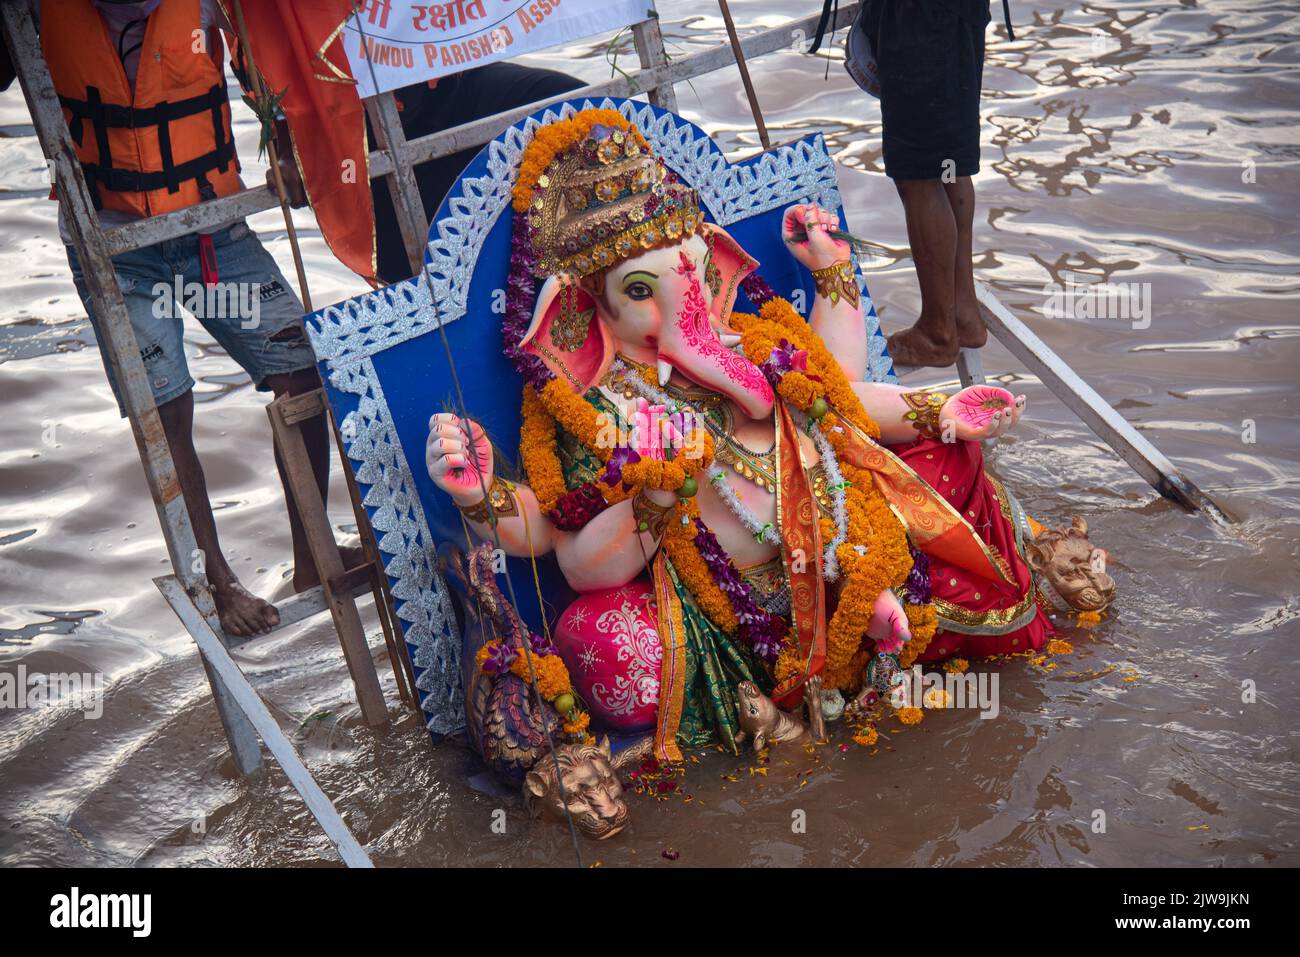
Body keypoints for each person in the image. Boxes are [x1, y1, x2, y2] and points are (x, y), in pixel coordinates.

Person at [2, 0, 355, 637]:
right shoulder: (35, 10)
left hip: (209, 232)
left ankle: (313, 560)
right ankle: (219, 583)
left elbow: (273, 61)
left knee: (300, 369)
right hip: (116, 251)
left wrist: (288, 144)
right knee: (167, 413)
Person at [858, 0, 996, 368]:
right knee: (948, 163)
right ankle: (963, 313)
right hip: (957, 13)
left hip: (920, 16)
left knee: (919, 174)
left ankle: (938, 333)